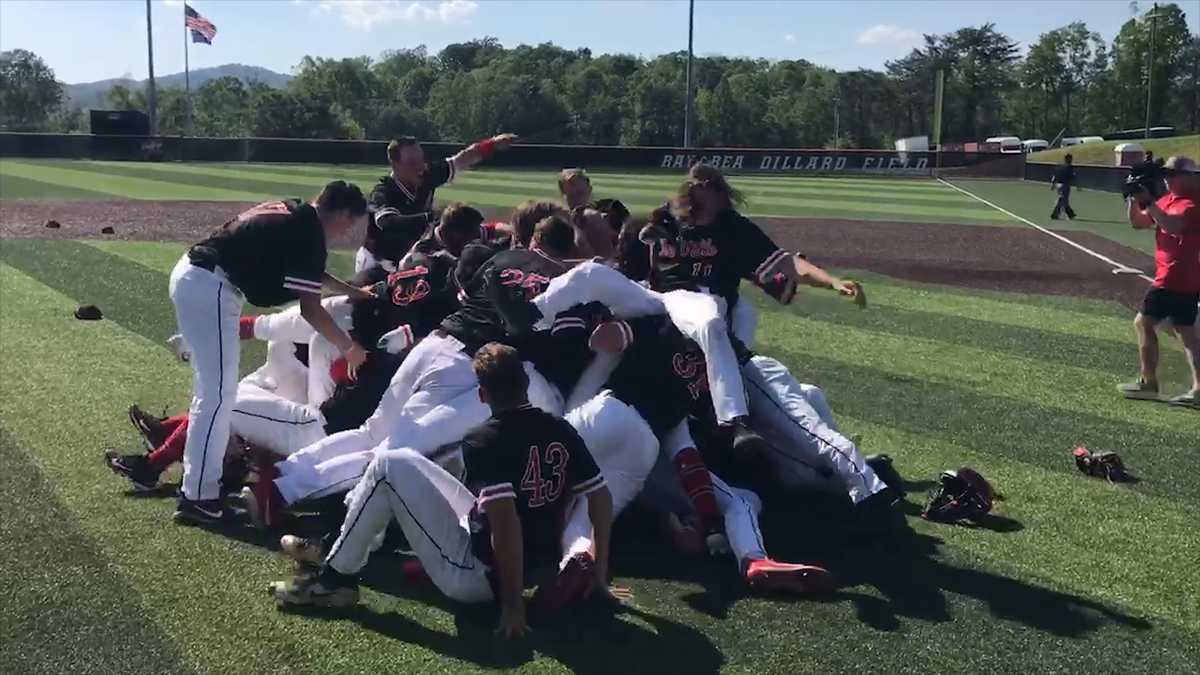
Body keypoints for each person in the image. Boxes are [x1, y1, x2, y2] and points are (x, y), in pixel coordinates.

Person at [271, 343, 615, 640]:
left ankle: (334, 579)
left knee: (387, 467)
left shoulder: (485, 438)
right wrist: (600, 575)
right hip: (525, 563)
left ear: (481, 395)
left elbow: (506, 523)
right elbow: (601, 497)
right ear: (525, 385)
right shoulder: (561, 429)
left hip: (480, 578)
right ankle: (338, 556)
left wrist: (512, 606)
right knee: (401, 460)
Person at [167, 182, 369, 524]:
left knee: (214, 393)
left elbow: (308, 273)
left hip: (199, 278)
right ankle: (198, 496)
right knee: (216, 396)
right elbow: (311, 310)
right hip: (211, 287)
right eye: (349, 224)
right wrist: (349, 348)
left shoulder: (296, 211)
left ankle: (198, 490)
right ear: (342, 213)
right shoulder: (309, 232)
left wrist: (350, 291)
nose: (346, 232)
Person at [357, 133, 518, 273]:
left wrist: (493, 143)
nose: (420, 166)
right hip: (378, 261)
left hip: (408, 256)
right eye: (412, 162)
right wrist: (432, 217)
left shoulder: (426, 174)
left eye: (421, 159)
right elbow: (388, 222)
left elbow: (461, 160)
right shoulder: (383, 192)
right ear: (395, 165)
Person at [1122, 155, 1200, 408]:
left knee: (1143, 323)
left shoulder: (1192, 202)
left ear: (1189, 176)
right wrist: (1134, 199)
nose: (1167, 179)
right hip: (1183, 279)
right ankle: (1198, 390)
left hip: (1174, 277)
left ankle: (1148, 383)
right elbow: (1139, 222)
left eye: (1172, 174)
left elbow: (1173, 225)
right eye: (1165, 174)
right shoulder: (1168, 200)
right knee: (1186, 334)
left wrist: (1149, 202)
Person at [1050, 153, 1078, 220]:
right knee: (1062, 200)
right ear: (1069, 159)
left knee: (1064, 200)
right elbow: (1073, 177)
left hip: (1058, 185)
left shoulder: (1059, 167)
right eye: (1070, 159)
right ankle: (1054, 214)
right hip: (1065, 186)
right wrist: (1077, 185)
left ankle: (1071, 214)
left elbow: (1054, 177)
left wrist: (1053, 184)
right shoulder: (1069, 168)